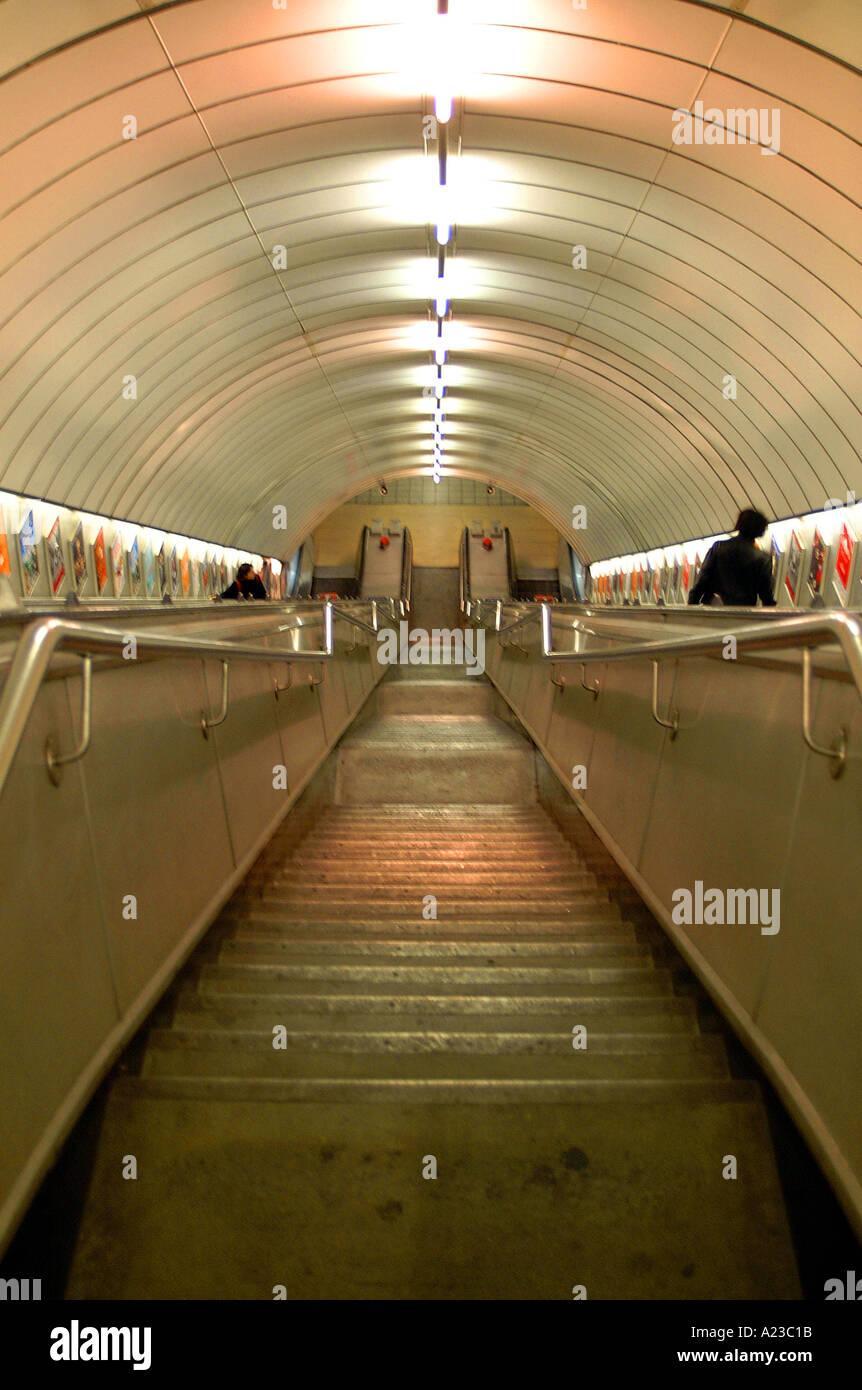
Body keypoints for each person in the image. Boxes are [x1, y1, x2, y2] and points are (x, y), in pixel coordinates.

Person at [688, 509, 777, 607]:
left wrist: (691, 606)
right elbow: (765, 594)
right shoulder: (763, 558)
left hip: (714, 611)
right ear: (761, 530)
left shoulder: (718, 548)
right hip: (743, 614)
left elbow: (702, 581)